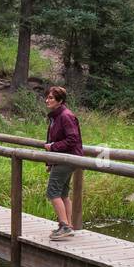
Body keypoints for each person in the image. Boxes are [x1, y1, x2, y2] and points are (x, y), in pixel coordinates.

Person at [42, 86, 83, 240]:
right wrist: (50, 160)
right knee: (63, 193)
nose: (47, 100)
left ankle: (65, 226)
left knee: (52, 192)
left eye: (51, 98)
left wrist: (53, 147)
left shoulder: (65, 116)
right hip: (62, 158)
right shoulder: (56, 116)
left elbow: (73, 139)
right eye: (47, 97)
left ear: (60, 100)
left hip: (66, 158)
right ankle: (67, 225)